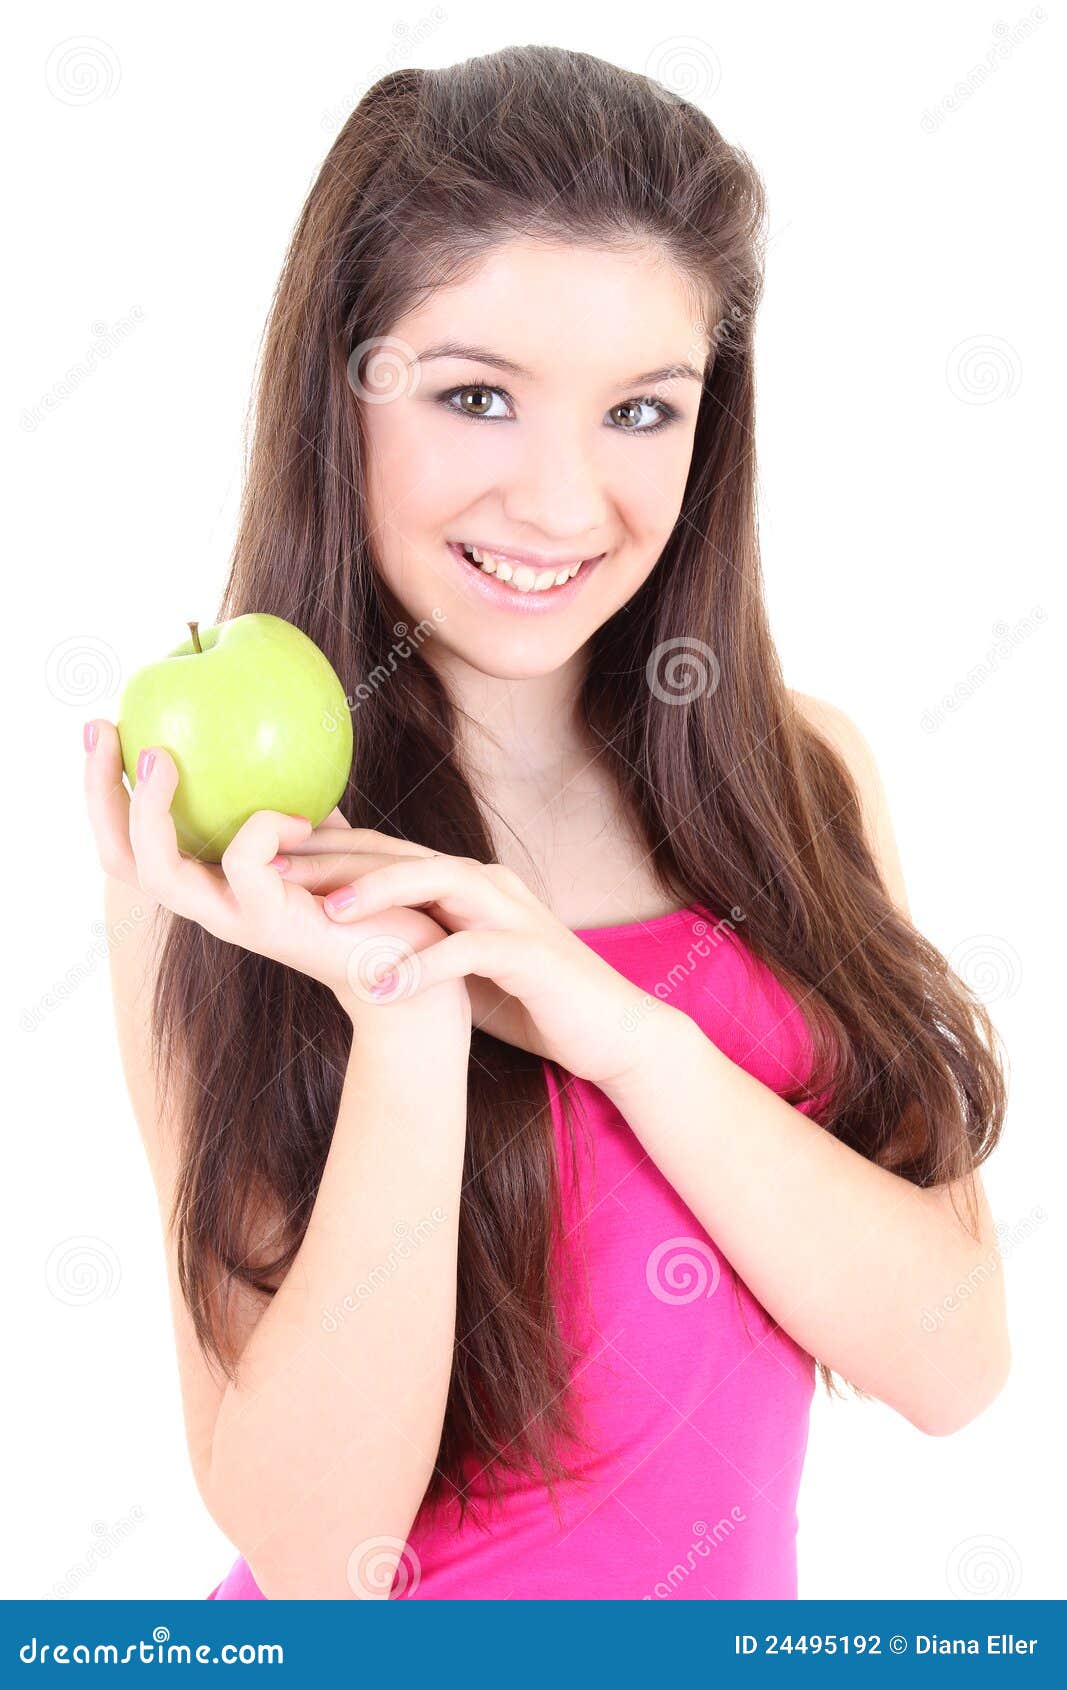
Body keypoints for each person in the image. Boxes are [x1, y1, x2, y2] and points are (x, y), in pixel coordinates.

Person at [82, 44, 1010, 1601]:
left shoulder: (807, 785)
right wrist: (406, 1015)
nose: (566, 502)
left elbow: (954, 1361)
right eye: (476, 396)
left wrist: (625, 1035)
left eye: (642, 410)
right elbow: (318, 1556)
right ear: (343, 389)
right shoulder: (222, 850)